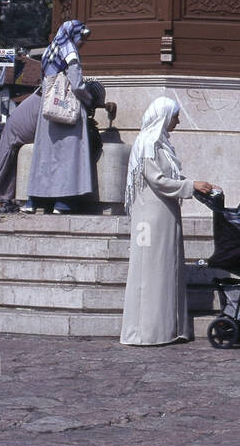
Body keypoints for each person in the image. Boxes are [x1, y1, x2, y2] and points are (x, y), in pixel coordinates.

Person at [120, 97, 215, 345]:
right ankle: (147, 332)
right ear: (164, 116)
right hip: (151, 219)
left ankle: (168, 328)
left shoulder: (160, 144)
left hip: (164, 214)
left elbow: (169, 178)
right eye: (175, 116)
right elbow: (158, 181)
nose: (178, 121)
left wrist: (194, 186)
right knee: (150, 272)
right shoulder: (148, 144)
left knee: (166, 269)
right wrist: (190, 185)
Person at [28, 20, 98, 214]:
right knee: (69, 157)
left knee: (45, 157)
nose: (83, 42)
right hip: (67, 111)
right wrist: (89, 98)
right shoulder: (70, 53)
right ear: (73, 34)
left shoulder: (48, 51)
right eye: (82, 36)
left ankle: (34, 200)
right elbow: (76, 85)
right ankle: (64, 201)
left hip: (49, 110)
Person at [0, 87, 42, 207]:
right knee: (4, 160)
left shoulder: (36, 96)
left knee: (3, 159)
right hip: (22, 127)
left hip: (18, 125)